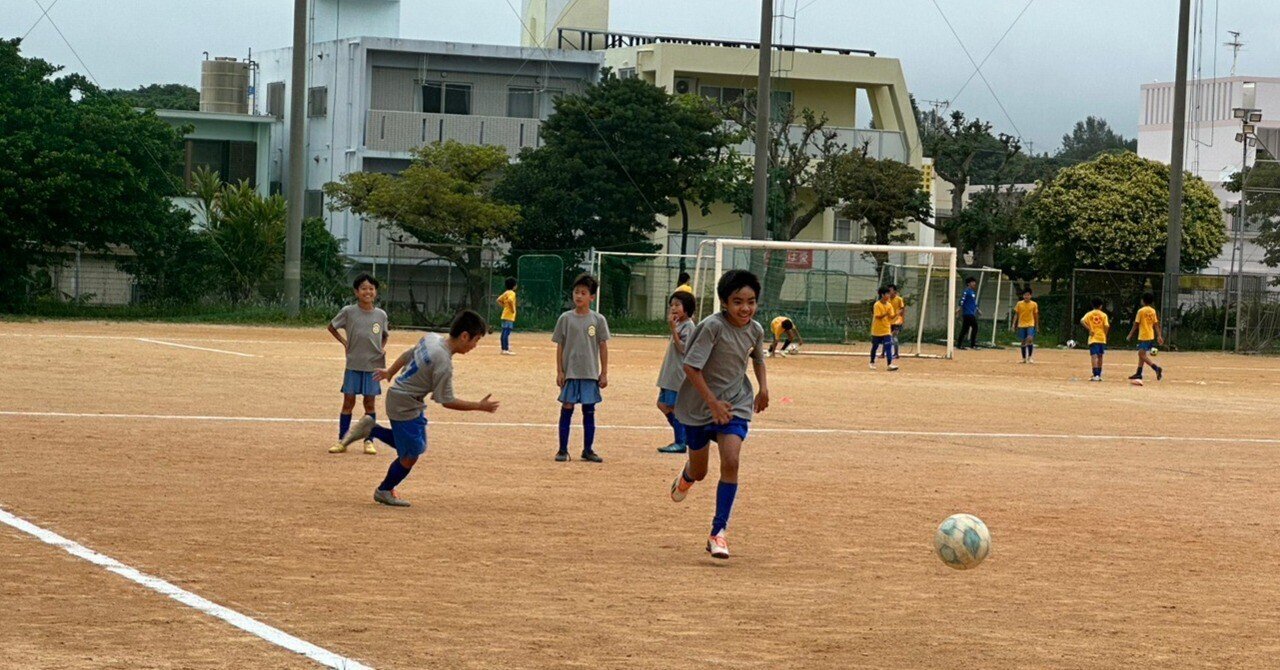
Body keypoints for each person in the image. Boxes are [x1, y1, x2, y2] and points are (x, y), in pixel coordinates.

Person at [338, 310, 499, 507]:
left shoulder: (432, 339)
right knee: (410, 455)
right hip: (404, 404)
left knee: (416, 445)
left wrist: (390, 371)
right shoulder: (444, 363)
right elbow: (446, 400)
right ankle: (384, 489)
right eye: (476, 340)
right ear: (465, 336)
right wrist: (479, 406)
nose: (475, 346)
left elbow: (409, 354)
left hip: (408, 401)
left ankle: (373, 430)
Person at [669, 269, 769, 560]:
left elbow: (759, 359)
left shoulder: (756, 329)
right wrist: (711, 402)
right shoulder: (712, 327)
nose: (745, 308)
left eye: (751, 301)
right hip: (700, 406)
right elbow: (690, 366)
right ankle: (687, 476)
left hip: (736, 403)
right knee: (700, 471)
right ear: (725, 302)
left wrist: (763, 388)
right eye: (738, 301)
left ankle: (718, 532)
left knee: (732, 460)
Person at [327, 274, 388, 456]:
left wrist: (381, 348)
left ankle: (369, 440)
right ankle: (342, 440)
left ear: (375, 292)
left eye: (371, 288)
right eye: (363, 288)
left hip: (373, 366)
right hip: (354, 364)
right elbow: (332, 327)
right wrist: (345, 343)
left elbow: (384, 335)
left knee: (370, 404)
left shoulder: (381, 315)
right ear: (356, 292)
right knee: (348, 402)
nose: (367, 292)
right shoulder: (348, 311)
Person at [552, 274, 611, 463]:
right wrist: (560, 371)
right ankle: (562, 449)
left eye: (583, 293)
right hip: (570, 372)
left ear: (591, 297)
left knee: (589, 410)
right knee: (567, 407)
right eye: (576, 292)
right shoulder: (565, 318)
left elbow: (603, 345)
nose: (578, 296)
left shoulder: (598, 320)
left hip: (590, 373)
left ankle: (588, 449)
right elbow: (560, 345)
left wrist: (603, 373)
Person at [657, 291, 696, 454]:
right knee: (662, 404)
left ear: (686, 308)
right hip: (669, 373)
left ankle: (680, 442)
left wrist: (673, 329)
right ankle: (685, 436)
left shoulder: (689, 326)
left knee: (673, 407)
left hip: (678, 375)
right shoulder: (680, 324)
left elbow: (683, 349)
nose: (673, 308)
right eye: (671, 305)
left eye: (677, 305)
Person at [1127, 292, 1165, 383]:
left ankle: (1156, 368)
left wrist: (1130, 334)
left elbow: (1136, 324)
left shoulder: (1141, 311)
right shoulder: (1152, 311)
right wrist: (1159, 335)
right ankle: (1139, 373)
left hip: (1144, 335)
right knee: (1142, 355)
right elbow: (1156, 324)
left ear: (1143, 301)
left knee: (1141, 354)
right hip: (1150, 335)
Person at [1080, 298, 1110, 382]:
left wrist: (1089, 329)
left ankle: (1095, 374)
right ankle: (1099, 374)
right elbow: (1107, 326)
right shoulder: (1104, 315)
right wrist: (1105, 334)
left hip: (1093, 338)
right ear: (1101, 306)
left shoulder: (1089, 314)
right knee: (1100, 356)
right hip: (1101, 337)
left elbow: (1082, 321)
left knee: (1094, 356)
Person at [870, 287, 899, 371]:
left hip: (886, 329)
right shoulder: (877, 304)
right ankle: (872, 362)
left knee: (888, 346)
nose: (889, 295)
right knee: (875, 346)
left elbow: (891, 316)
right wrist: (886, 313)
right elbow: (878, 316)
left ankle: (889, 364)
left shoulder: (889, 305)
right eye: (887, 294)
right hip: (877, 330)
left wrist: (897, 314)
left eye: (889, 294)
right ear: (882, 295)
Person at [1013, 288, 1040, 364]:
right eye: (1025, 295)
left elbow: (1036, 315)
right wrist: (1013, 324)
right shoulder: (1019, 304)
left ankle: (1030, 357)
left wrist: (1037, 325)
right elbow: (1016, 315)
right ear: (1023, 296)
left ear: (1031, 296)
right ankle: (1024, 358)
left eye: (1028, 295)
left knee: (1030, 339)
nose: (1026, 296)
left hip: (1030, 324)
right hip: (1021, 324)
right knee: (1023, 342)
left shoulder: (1034, 304)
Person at [956, 277, 980, 349]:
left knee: (965, 329)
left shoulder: (972, 292)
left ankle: (959, 344)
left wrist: (977, 309)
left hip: (971, 313)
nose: (974, 283)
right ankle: (973, 345)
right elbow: (962, 300)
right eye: (973, 282)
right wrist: (959, 308)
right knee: (975, 327)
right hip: (967, 313)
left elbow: (973, 302)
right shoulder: (966, 291)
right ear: (969, 283)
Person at [496, 278, 518, 355]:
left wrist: (504, 306)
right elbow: (510, 300)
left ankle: (503, 349)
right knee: (507, 332)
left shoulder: (506, 293)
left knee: (504, 332)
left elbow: (498, 299)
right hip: (509, 316)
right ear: (514, 286)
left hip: (504, 314)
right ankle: (506, 349)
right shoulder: (512, 293)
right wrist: (512, 309)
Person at [887, 284, 906, 360]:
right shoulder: (887, 299)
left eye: (890, 290)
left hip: (897, 321)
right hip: (888, 321)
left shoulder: (899, 299)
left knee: (894, 336)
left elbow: (902, 308)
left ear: (894, 291)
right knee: (886, 337)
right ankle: (883, 353)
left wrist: (898, 314)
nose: (889, 291)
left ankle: (896, 354)